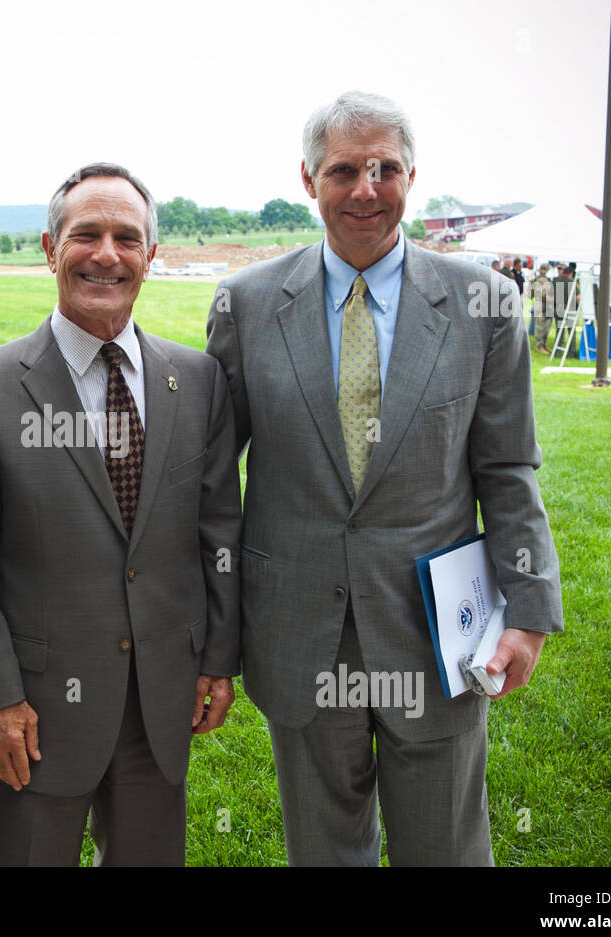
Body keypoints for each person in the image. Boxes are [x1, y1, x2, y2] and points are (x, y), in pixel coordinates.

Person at [206, 91, 563, 866]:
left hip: (440, 639)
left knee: (448, 850)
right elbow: (211, 478)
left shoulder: (485, 304)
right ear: (308, 179)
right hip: (299, 633)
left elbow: (507, 470)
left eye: (385, 169)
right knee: (326, 854)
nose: (365, 189)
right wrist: (209, 629)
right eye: (343, 170)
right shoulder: (247, 302)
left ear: (411, 175)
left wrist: (530, 610)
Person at [0, 163, 241, 866]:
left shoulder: (197, 381)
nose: (107, 254)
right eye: (87, 234)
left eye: (127, 238)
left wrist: (218, 659)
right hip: (33, 715)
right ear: (50, 248)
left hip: (161, 703)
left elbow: (219, 527)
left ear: (151, 257)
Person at [531, 263, 554, 352]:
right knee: (540, 327)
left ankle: (544, 345)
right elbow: (540, 293)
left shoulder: (546, 279)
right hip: (540, 305)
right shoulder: (539, 280)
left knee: (546, 327)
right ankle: (539, 346)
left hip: (546, 305)